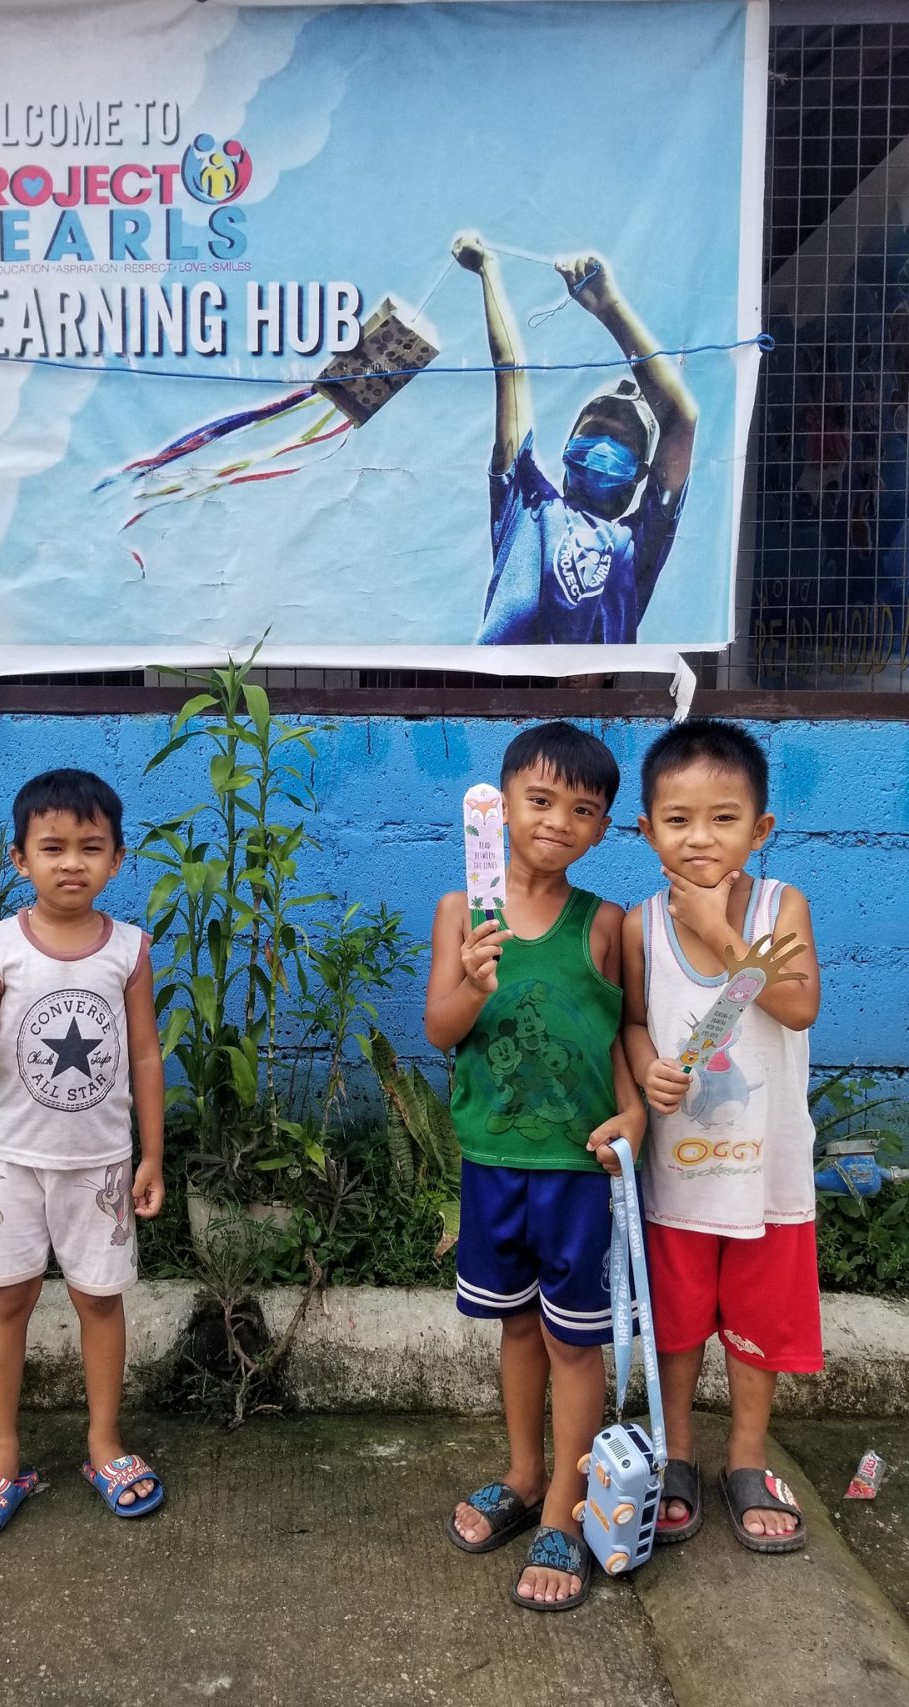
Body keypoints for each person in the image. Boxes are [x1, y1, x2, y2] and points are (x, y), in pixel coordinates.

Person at [427, 722, 645, 1611]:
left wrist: (634, 1112)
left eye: (582, 810)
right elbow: (439, 1030)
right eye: (541, 800)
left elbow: (620, 1034)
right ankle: (522, 1474)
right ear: (502, 806)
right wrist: (472, 983)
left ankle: (565, 1502)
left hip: (577, 1171)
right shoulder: (461, 912)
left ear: (601, 828)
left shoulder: (606, 922)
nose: (558, 821)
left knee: (573, 1340)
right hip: (493, 1162)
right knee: (517, 1327)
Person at [0, 768, 165, 1538]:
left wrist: (151, 1153)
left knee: (99, 1300)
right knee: (6, 1301)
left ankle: (104, 1442)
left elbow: (145, 1055)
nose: (72, 862)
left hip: (101, 1167)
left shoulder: (129, 950)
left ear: (118, 859)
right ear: (19, 859)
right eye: (53, 847)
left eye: (91, 847)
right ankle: (2, 1451)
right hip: (15, 1163)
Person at [623, 718, 821, 1553]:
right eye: (678, 819)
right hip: (679, 1177)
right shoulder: (637, 925)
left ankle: (746, 1458)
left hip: (768, 1179)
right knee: (675, 1326)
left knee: (757, 1324)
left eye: (724, 818)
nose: (700, 837)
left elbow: (798, 1004)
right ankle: (677, 1455)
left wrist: (718, 930)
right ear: (647, 829)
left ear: (760, 828)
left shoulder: (782, 905)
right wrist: (647, 1069)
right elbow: (636, 1021)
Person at [452, 235, 698, 645]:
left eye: (621, 438)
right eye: (595, 429)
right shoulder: (527, 508)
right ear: (567, 449)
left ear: (640, 473)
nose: (604, 441)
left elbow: (680, 420)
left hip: (590, 689)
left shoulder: (634, 546)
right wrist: (488, 270)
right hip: (502, 684)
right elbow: (510, 368)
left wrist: (609, 307)